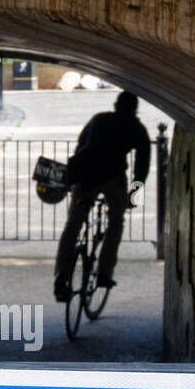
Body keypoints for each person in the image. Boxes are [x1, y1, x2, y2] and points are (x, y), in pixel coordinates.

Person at [53, 91, 150, 302]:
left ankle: (61, 274)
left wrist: (72, 178)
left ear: (115, 105)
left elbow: (81, 145)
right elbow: (142, 164)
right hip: (112, 179)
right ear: (135, 109)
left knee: (73, 225)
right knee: (116, 222)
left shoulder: (99, 119)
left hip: (84, 174)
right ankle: (105, 273)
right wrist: (134, 190)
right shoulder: (136, 128)